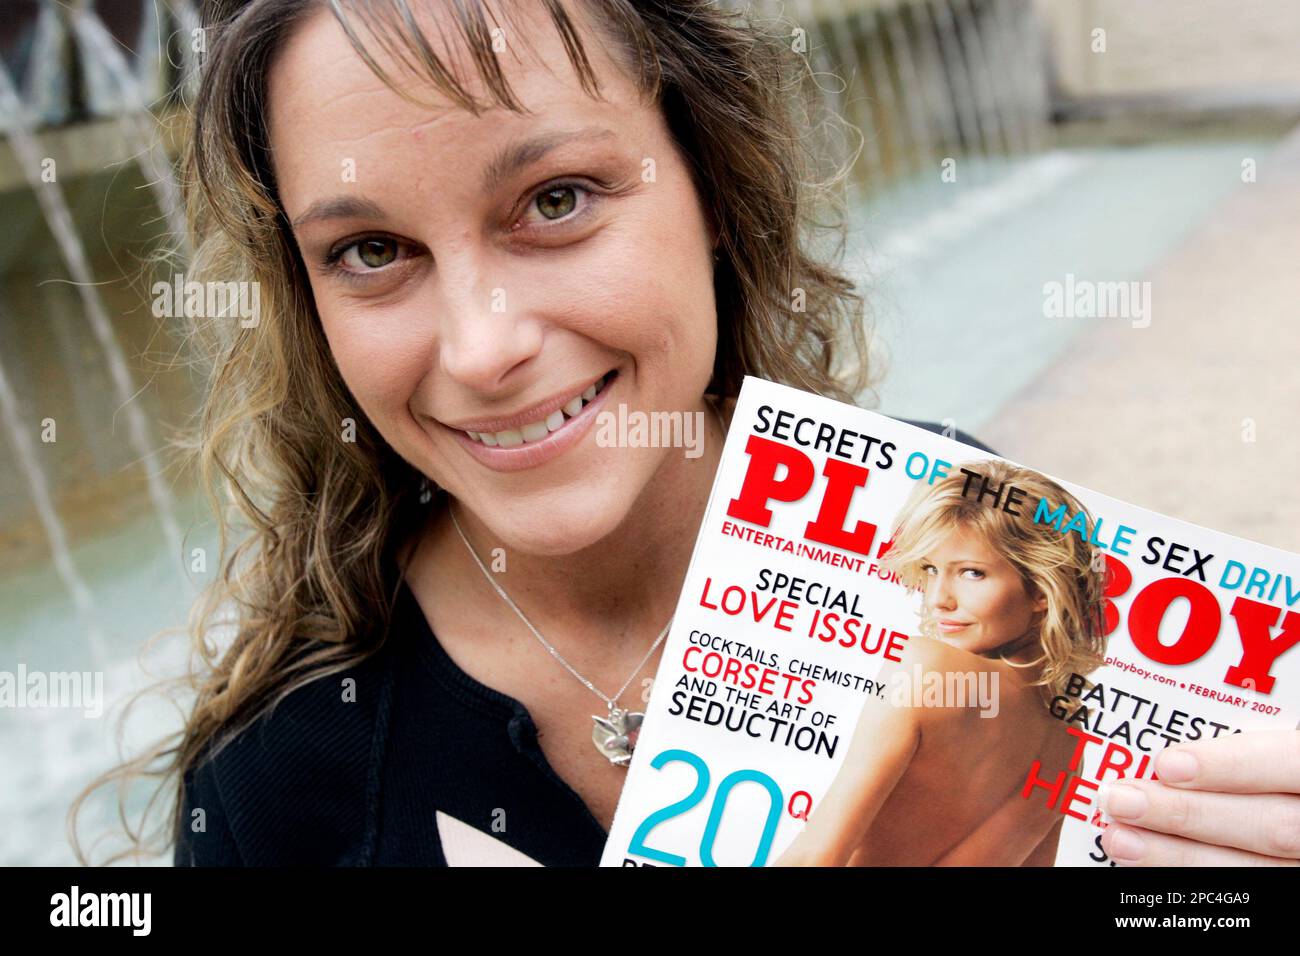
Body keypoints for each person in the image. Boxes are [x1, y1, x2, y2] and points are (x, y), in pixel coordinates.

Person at [71, 0, 1299, 867]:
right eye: (372, 251)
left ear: (710, 185)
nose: (482, 345)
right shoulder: (277, 788)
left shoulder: (968, 529)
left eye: (554, 200)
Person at [776, 460, 1109, 866]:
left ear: (1043, 588)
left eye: (971, 573)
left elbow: (815, 857)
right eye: (932, 569)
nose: (938, 598)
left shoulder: (928, 668)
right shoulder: (1069, 742)